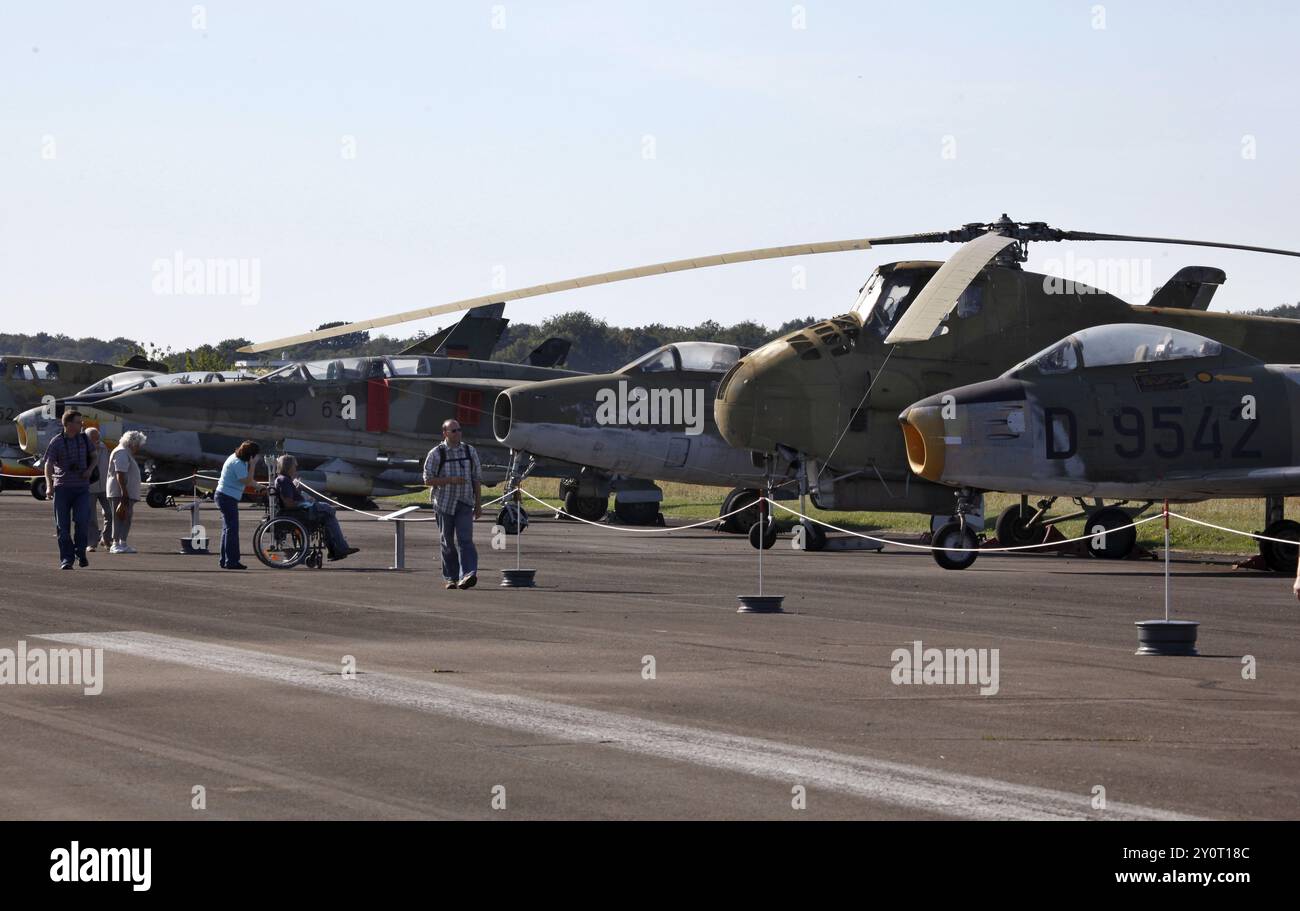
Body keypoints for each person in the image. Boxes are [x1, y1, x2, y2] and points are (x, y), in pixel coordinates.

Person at [423, 419, 482, 589]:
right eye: (454, 431)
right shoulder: (436, 454)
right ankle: (451, 577)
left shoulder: (470, 451)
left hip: (465, 502)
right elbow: (427, 480)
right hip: (444, 504)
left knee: (465, 540)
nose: (458, 433)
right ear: (445, 433)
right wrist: (450, 480)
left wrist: (478, 504)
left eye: (459, 430)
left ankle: (469, 574)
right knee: (447, 541)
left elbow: (476, 479)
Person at [273, 454, 359, 561]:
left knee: (328, 516)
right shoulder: (284, 480)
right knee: (329, 510)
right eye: (294, 466)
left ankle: (336, 549)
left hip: (298, 511)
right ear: (289, 467)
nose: (296, 468)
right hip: (298, 512)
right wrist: (306, 504)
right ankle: (338, 548)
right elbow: (289, 503)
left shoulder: (284, 480)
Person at [42, 410, 94, 569]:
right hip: (62, 489)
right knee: (62, 527)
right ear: (69, 424)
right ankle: (66, 559)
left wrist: (90, 470)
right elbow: (48, 464)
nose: (81, 425)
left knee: (82, 522)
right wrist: (49, 486)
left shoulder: (84, 439)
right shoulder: (56, 442)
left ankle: (80, 553)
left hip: (82, 489)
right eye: (78, 422)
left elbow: (95, 456)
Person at [216, 440, 264, 570]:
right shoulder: (238, 463)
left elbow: (247, 480)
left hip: (225, 496)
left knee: (227, 529)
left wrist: (259, 486)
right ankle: (232, 561)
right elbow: (247, 481)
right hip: (227, 497)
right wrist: (253, 465)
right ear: (251, 455)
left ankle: (225, 560)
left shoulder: (236, 458)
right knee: (232, 530)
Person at [106, 430, 146, 554]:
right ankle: (115, 543)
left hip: (124, 492)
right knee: (119, 517)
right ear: (131, 443)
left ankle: (122, 542)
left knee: (126, 517)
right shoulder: (122, 452)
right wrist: (124, 492)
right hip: (120, 492)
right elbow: (120, 474)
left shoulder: (125, 452)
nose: (138, 448)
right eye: (138, 445)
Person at [84, 426, 113, 552]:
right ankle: (92, 543)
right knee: (91, 517)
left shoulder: (104, 448)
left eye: (97, 439)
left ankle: (106, 539)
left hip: (105, 486)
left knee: (110, 514)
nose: (96, 442)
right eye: (93, 439)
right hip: (89, 487)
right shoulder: (82, 449)